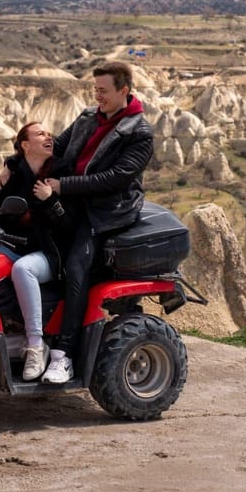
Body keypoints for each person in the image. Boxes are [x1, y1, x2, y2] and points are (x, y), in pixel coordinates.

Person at [40, 61, 154, 384]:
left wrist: (63, 186)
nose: (97, 96)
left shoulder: (140, 133)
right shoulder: (89, 117)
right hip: (77, 202)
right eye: (95, 90)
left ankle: (63, 356)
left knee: (77, 266)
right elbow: (56, 149)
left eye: (103, 91)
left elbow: (114, 180)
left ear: (124, 91)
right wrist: (20, 159)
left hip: (106, 211)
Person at [0, 122, 71, 381]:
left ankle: (35, 345)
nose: (48, 136)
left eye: (48, 133)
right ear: (25, 145)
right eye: (40, 134)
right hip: (11, 246)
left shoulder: (60, 173)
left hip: (49, 253)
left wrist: (51, 200)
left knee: (22, 270)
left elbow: (69, 225)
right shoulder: (14, 174)